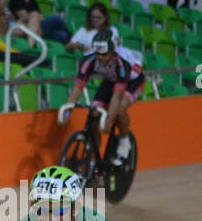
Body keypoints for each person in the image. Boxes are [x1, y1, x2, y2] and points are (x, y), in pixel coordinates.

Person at [57, 29, 142, 164]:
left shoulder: (122, 64)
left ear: (113, 51)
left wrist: (108, 119)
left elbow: (117, 97)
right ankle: (93, 163)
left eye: (104, 54)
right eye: (97, 53)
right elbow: (77, 90)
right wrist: (67, 113)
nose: (100, 57)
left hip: (132, 81)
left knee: (118, 109)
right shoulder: (89, 61)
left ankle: (125, 141)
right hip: (110, 80)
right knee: (94, 115)